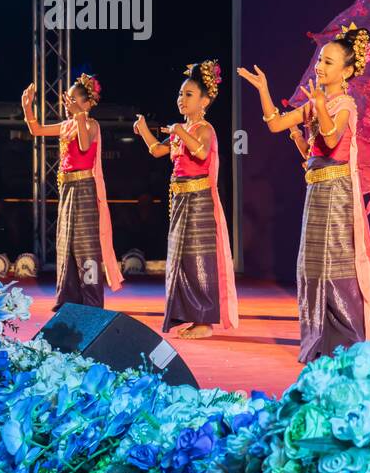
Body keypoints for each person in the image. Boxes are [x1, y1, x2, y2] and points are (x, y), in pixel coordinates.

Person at [238, 24, 370, 361]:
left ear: (348, 71)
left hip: (337, 196)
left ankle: (348, 342)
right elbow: (276, 124)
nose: (320, 67)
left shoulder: (345, 106)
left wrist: (319, 106)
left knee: (335, 265)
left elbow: (332, 136)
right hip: (317, 192)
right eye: (320, 60)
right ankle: (319, 340)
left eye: (328, 62)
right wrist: (264, 89)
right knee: (312, 267)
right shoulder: (316, 103)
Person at [133, 60, 239, 339]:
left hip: (199, 200)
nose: (181, 99)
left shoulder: (205, 129)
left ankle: (205, 321)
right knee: (181, 260)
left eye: (189, 94)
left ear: (205, 100)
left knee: (198, 259)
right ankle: (190, 316)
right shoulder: (182, 129)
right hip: (180, 200)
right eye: (180, 94)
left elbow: (202, 154)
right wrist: (143, 129)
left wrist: (180, 132)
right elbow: (157, 150)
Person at [22, 73, 122, 309]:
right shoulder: (67, 125)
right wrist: (28, 108)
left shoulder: (91, 125)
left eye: (74, 100)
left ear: (88, 103)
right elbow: (36, 130)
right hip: (67, 189)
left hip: (86, 188)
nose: (68, 104)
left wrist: (78, 115)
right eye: (67, 99)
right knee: (66, 242)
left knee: (86, 245)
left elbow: (85, 145)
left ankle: (92, 300)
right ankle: (68, 299)